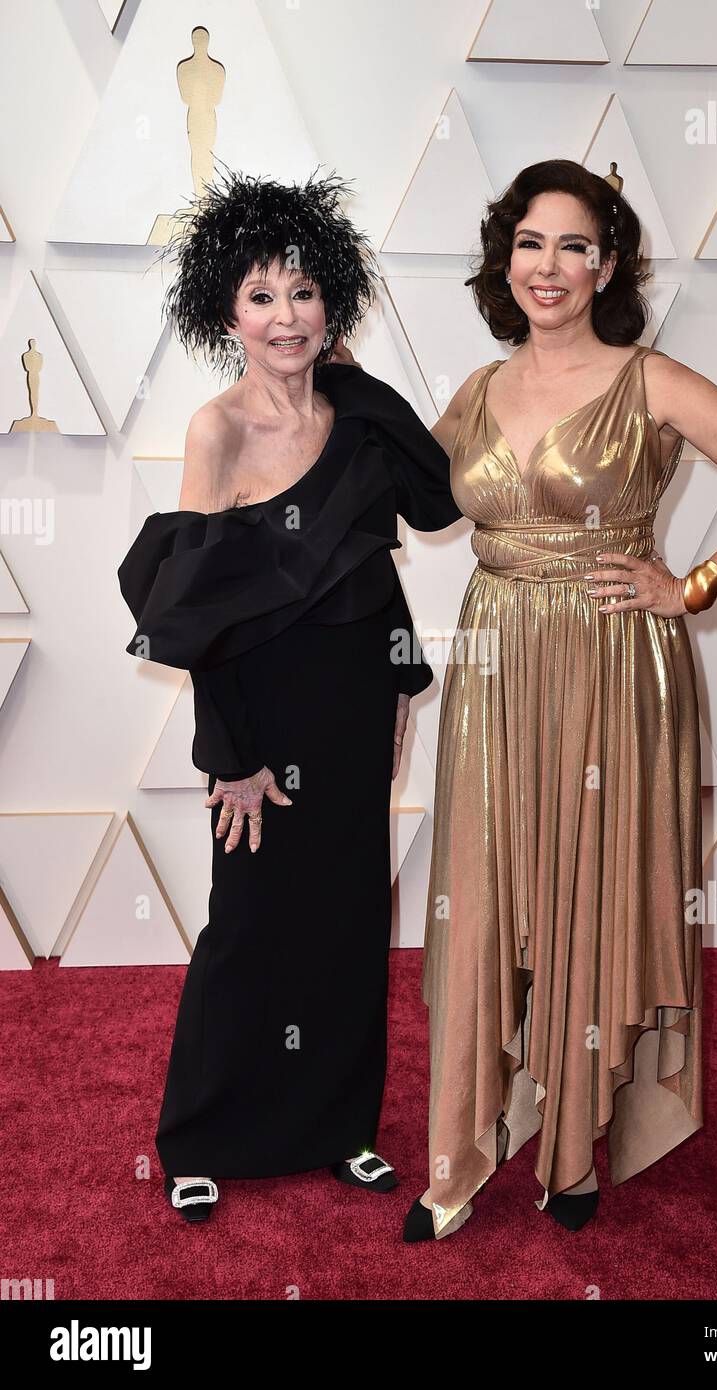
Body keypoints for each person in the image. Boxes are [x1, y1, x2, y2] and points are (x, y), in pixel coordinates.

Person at [402, 158, 717, 1241]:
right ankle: (457, 1151)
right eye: (531, 243)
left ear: (608, 262)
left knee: (591, 886)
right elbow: (410, 495)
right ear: (507, 257)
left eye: (574, 245)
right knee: (487, 894)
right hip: (497, 665)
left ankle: (575, 1141)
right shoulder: (477, 390)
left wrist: (687, 586)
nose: (549, 266)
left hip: (612, 665)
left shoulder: (653, 381)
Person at [117, 166, 461, 1222]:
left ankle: (338, 1127)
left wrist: (401, 680)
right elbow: (197, 608)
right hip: (261, 710)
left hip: (354, 701)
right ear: (226, 306)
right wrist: (231, 753)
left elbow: (430, 504)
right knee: (253, 923)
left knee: (354, 915)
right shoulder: (217, 431)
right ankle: (202, 1134)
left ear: (334, 304)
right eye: (262, 295)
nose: (284, 316)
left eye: (304, 293)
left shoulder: (352, 415)